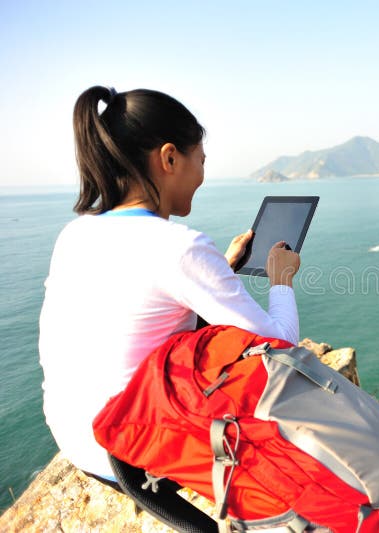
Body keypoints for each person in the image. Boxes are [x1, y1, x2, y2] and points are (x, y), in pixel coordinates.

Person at [38, 86, 301, 481]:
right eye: (201, 160)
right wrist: (281, 279)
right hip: (128, 453)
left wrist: (222, 269)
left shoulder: (74, 233)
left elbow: (132, 301)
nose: (202, 176)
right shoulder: (179, 248)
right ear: (170, 157)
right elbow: (281, 348)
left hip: (75, 438)